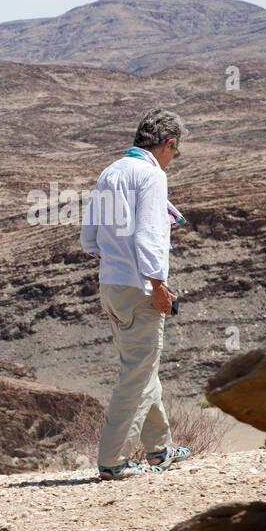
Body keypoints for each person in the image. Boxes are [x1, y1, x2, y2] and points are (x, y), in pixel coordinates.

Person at [80, 107, 192, 480]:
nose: (173, 159)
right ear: (169, 143)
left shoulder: (110, 171)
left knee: (144, 367)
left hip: (110, 286)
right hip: (139, 287)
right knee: (137, 375)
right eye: (175, 151)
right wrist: (158, 284)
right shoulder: (151, 175)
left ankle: (159, 450)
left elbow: (89, 238)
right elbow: (149, 236)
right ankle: (112, 459)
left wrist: (116, 256)